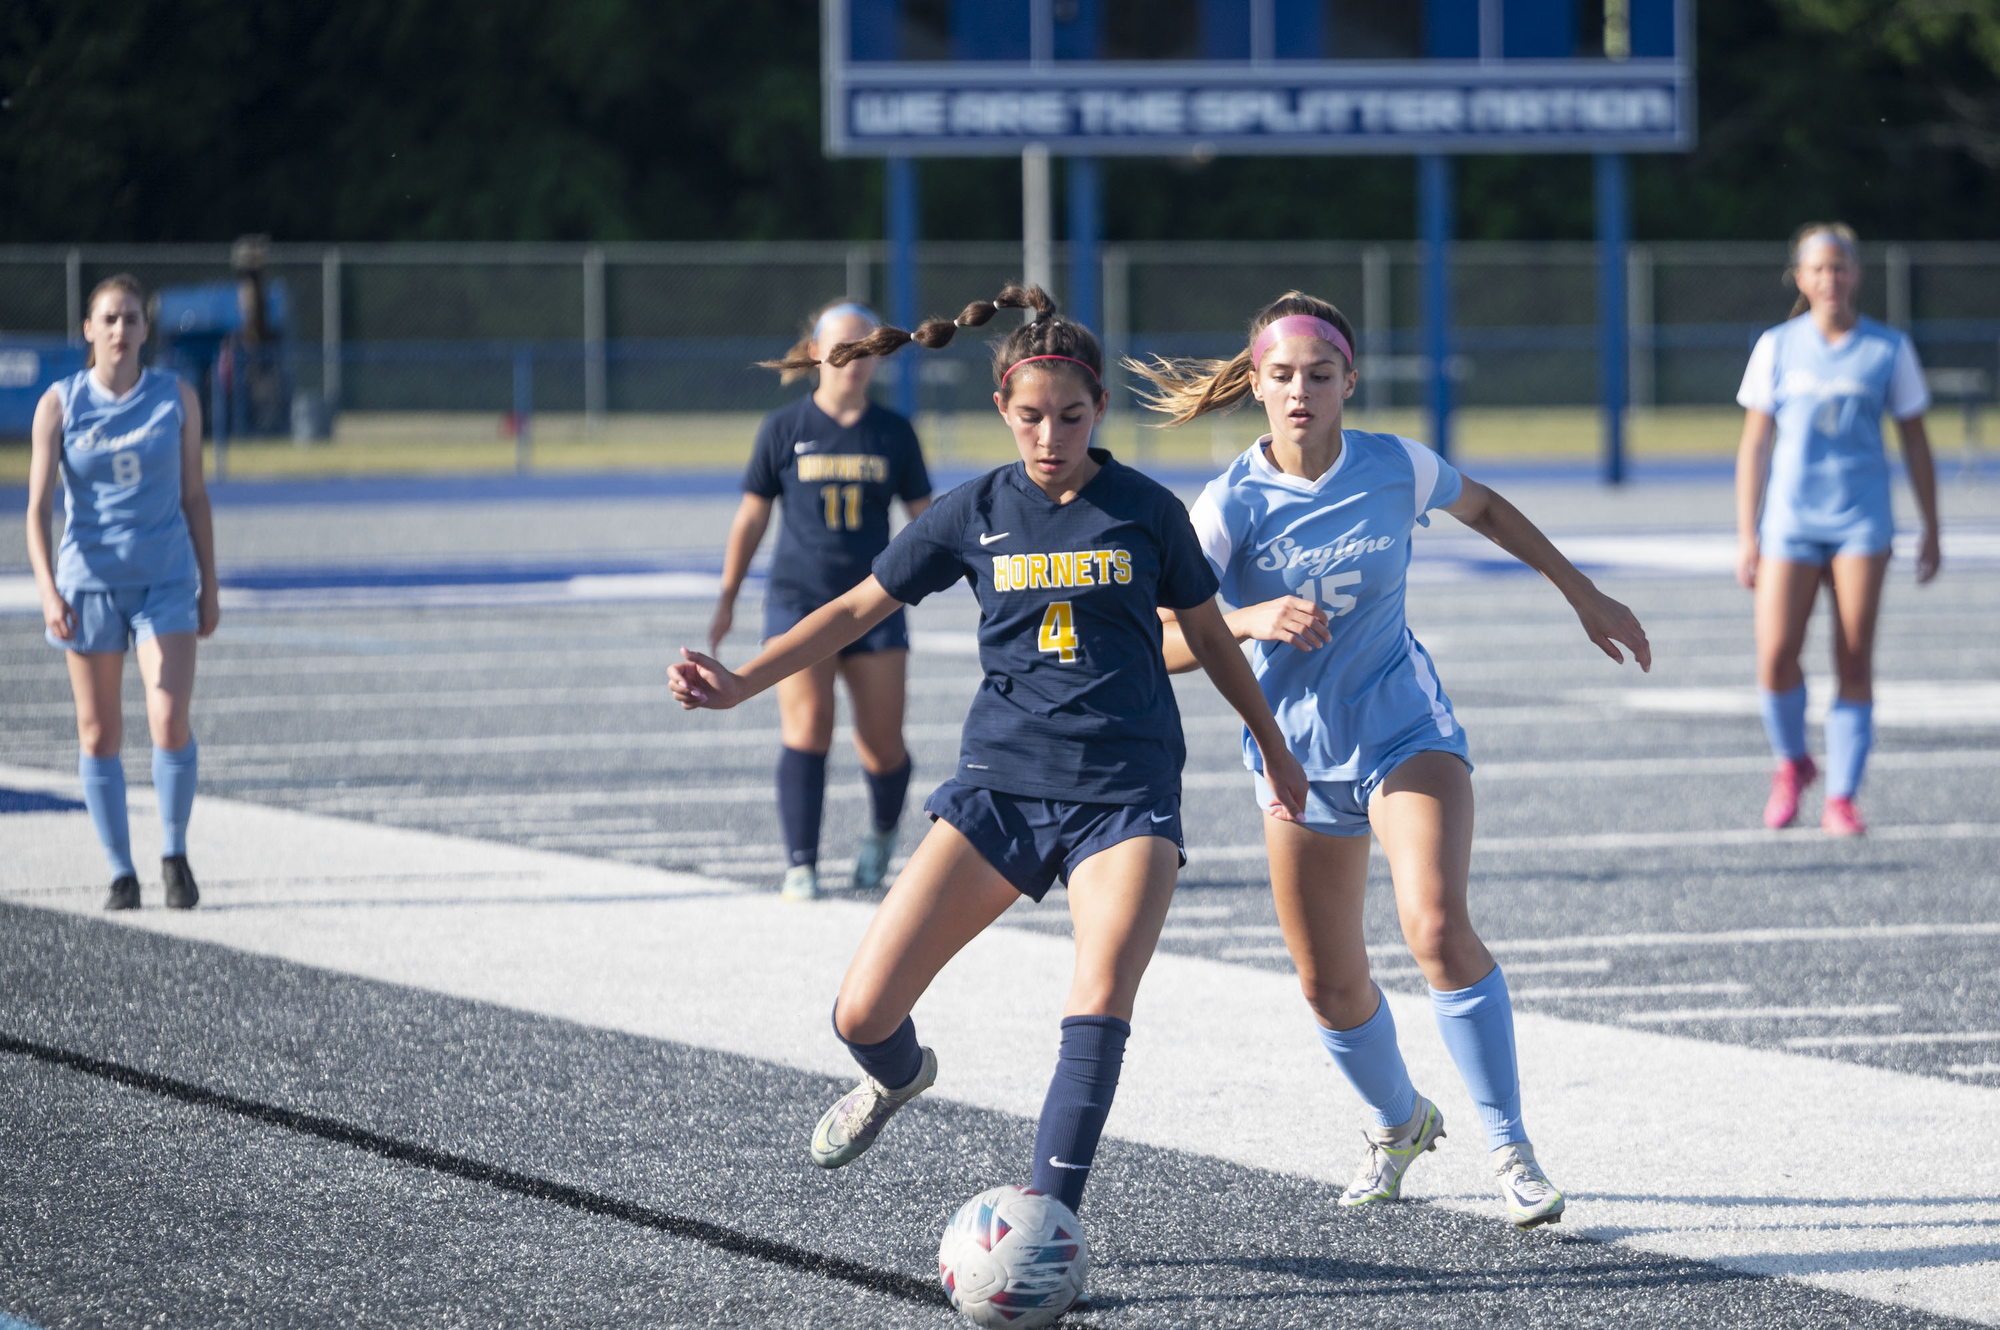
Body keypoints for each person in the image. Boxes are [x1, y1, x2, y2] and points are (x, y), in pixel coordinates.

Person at [672, 285, 1309, 1218]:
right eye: (1030, 418)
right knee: (860, 1014)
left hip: (1126, 792)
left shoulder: (1146, 510)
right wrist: (740, 682)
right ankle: (896, 1077)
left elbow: (1210, 639)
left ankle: (1049, 1225)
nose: (1050, 437)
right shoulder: (972, 511)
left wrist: (1273, 743)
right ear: (1003, 413)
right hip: (999, 787)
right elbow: (855, 609)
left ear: (1098, 412)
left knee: (1095, 1006)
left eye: (1071, 417)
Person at [1132, 292, 1651, 1230]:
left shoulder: (1392, 464)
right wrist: (1246, 619)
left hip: (1407, 730)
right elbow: (1161, 636)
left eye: (1319, 377)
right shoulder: (1228, 506)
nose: (1301, 394)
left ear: (1349, 382)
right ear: (1256, 385)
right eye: (1281, 377)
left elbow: (1483, 504)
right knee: (1329, 982)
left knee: (1436, 927)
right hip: (1294, 755)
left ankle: (1510, 1146)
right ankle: (1398, 1123)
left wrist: (1583, 594)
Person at [713, 301, 933, 902]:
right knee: (808, 727)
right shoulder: (784, 429)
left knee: (882, 744)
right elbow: (752, 516)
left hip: (874, 602)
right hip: (798, 600)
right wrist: (728, 595)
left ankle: (883, 832)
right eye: (841, 350)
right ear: (815, 353)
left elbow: (926, 521)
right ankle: (801, 864)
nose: (853, 362)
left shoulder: (893, 432)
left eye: (865, 350)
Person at [1735, 223, 1941, 837]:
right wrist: (1747, 533)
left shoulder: (1888, 348)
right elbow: (1754, 446)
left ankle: (1843, 796)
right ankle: (1794, 762)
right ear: (1800, 277)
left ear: (1857, 273)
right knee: (1775, 656)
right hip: (1790, 523)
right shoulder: (1776, 345)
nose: (1831, 278)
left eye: (1841, 267)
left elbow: (1916, 441)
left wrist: (1932, 525)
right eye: (1818, 268)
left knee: (1853, 657)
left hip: (1861, 523)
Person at [25, 274, 219, 911]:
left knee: (168, 717)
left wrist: (209, 585)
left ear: (144, 329)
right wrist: (50, 593)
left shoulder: (176, 398)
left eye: (131, 319)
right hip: (89, 585)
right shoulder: (61, 402)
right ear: (89, 329)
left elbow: (195, 495)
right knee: (99, 734)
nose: (119, 330)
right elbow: (36, 512)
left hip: (165, 578)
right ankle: (120, 870)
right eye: (108, 318)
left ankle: (173, 853)